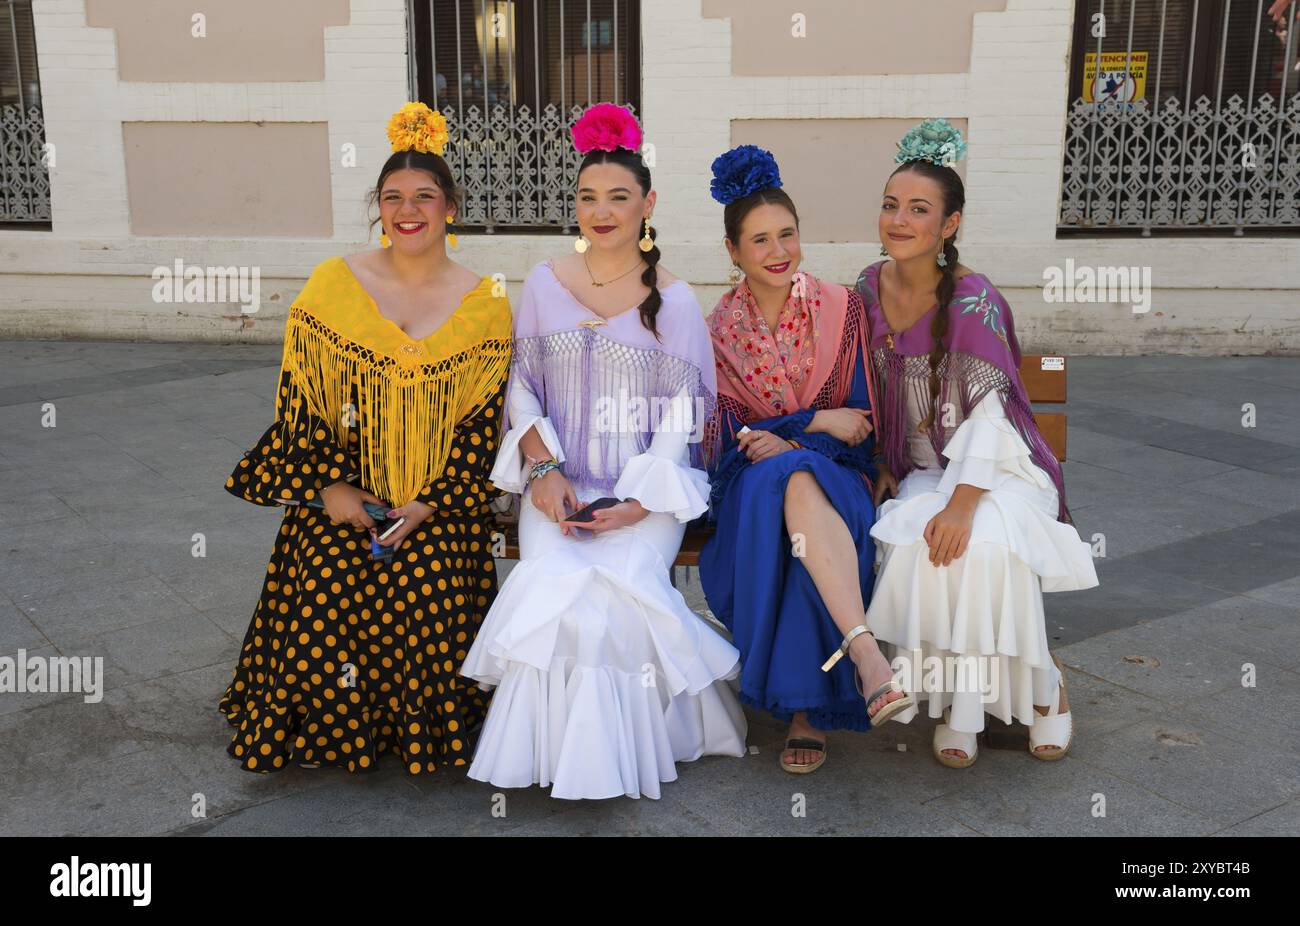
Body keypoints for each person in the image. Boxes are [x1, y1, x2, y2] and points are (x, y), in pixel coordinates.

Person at [460, 103, 747, 800]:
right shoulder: (542, 284)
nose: (602, 210)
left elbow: (683, 417)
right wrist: (545, 472)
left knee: (610, 603)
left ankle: (620, 753)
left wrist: (639, 503)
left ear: (648, 204)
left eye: (619, 197)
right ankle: (552, 754)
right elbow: (521, 389)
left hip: (646, 495)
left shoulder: (674, 302)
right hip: (557, 485)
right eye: (588, 197)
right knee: (560, 598)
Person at [220, 102, 512, 774]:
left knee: (428, 585)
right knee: (327, 584)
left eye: (424, 197)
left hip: (436, 503)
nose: (408, 210)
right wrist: (331, 488)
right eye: (392, 198)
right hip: (344, 493)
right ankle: (327, 728)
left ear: (451, 208)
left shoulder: (485, 301)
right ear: (378, 208)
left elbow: (479, 424)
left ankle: (417, 727)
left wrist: (431, 503)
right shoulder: (334, 286)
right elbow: (302, 406)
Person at [858, 119, 1099, 769]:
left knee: (984, 545)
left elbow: (991, 418)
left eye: (919, 209)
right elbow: (860, 384)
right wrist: (877, 460)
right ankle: (961, 706)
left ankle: (1045, 688)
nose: (899, 220)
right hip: (922, 469)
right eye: (890, 205)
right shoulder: (866, 288)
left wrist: (964, 500)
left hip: (996, 468)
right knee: (922, 547)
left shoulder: (974, 298)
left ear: (949, 224)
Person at [699, 145, 911, 776]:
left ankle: (812, 700)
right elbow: (725, 436)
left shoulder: (842, 310)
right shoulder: (717, 331)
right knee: (785, 485)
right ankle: (861, 658)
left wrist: (794, 439)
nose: (777, 251)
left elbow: (860, 422)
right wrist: (809, 422)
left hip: (837, 474)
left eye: (787, 234)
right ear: (733, 251)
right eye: (759, 240)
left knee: (798, 485)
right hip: (750, 485)